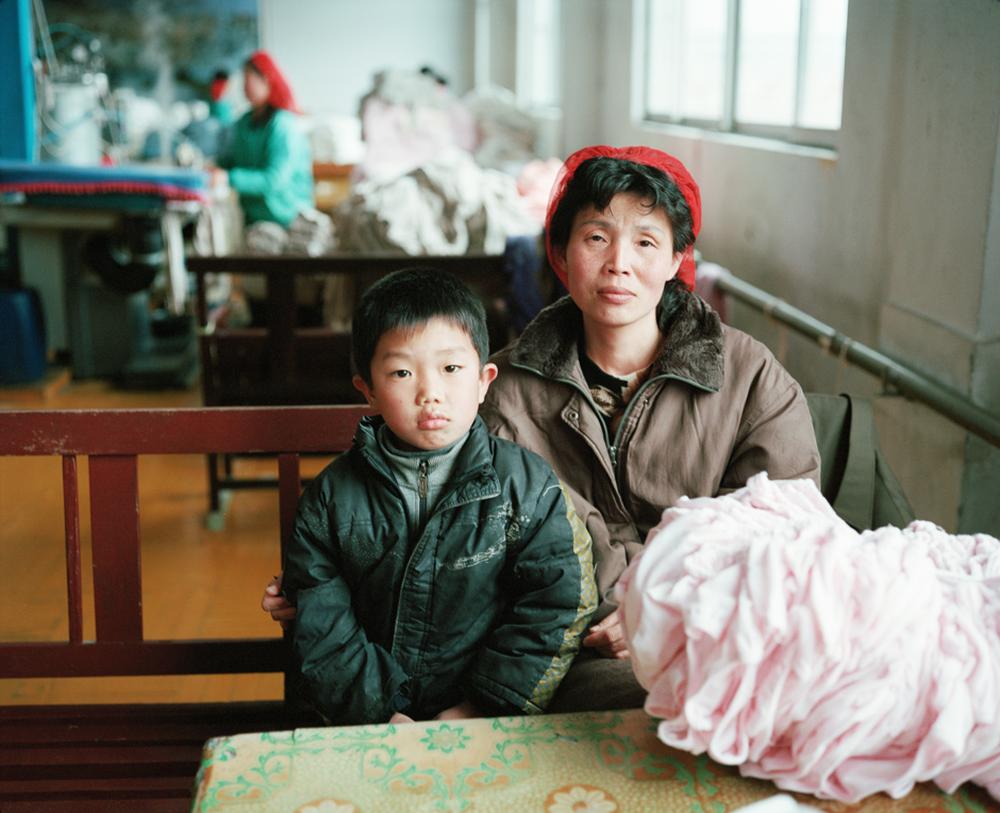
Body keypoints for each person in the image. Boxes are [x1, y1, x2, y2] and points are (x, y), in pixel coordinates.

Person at [264, 145, 821, 711]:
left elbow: (784, 518)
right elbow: (440, 523)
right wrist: (320, 590)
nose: (618, 264)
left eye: (646, 242)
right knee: (641, 708)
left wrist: (668, 605)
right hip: (561, 645)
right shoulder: (499, 389)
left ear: (678, 255)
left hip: (719, 623)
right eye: (596, 238)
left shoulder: (749, 376)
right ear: (559, 251)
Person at [281, 268, 597, 725]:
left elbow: (560, 599)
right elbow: (322, 620)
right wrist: (380, 715)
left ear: (485, 379)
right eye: (402, 372)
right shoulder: (332, 496)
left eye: (451, 368)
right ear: (366, 388)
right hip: (364, 722)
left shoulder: (526, 486)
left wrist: (480, 707)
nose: (431, 394)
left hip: (485, 718)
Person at [215, 50, 314, 228]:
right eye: (243, 80)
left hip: (286, 217)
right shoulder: (244, 122)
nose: (244, 87)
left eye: (249, 79)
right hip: (254, 219)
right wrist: (214, 169)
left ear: (266, 80)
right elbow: (233, 160)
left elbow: (275, 179)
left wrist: (227, 178)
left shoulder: (283, 125)